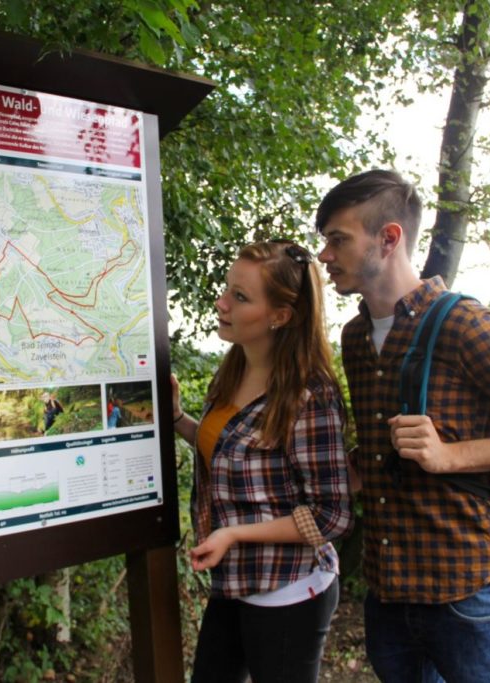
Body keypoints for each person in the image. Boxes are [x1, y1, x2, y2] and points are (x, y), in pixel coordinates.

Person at [314, 169, 490, 682]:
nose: (325, 255)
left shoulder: (466, 324)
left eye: (338, 239)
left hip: (467, 593)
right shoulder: (354, 338)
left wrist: (450, 455)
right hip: (387, 596)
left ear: (389, 238)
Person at [169, 240, 354, 683]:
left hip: (289, 591)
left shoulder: (309, 396)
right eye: (227, 289)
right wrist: (177, 417)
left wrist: (234, 533)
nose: (222, 303)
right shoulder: (234, 368)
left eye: (240, 296)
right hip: (236, 581)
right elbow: (230, 454)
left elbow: (331, 515)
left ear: (280, 316)